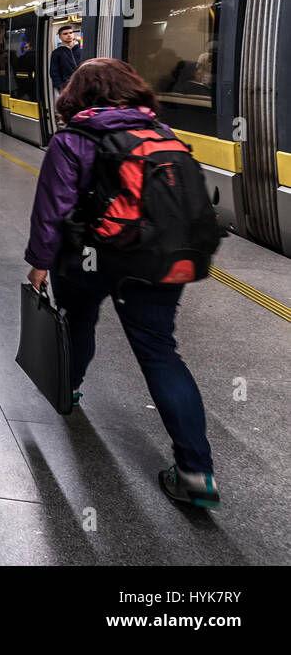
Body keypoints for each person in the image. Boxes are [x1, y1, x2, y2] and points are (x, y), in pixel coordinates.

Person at [24, 57, 218, 509]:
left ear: (76, 95)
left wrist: (39, 263)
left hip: (91, 258)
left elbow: (52, 210)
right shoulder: (162, 133)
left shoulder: (72, 139)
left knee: (77, 322)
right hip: (160, 258)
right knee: (160, 352)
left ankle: (68, 388)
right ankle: (195, 473)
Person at [49, 22, 83, 93]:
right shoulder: (56, 53)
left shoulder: (82, 49)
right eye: (65, 34)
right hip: (68, 88)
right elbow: (54, 72)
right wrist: (62, 88)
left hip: (84, 85)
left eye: (70, 33)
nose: (69, 35)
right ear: (59, 37)